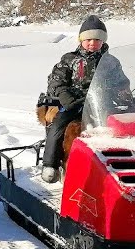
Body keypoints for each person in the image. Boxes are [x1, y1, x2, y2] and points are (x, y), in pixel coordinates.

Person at [38, 14, 110, 183]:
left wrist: (123, 91)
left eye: (97, 39)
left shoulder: (110, 61)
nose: (93, 43)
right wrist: (65, 96)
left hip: (101, 103)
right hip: (75, 103)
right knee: (58, 126)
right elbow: (56, 81)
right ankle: (51, 164)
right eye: (88, 39)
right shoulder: (70, 60)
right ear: (81, 40)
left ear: (103, 41)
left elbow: (119, 80)